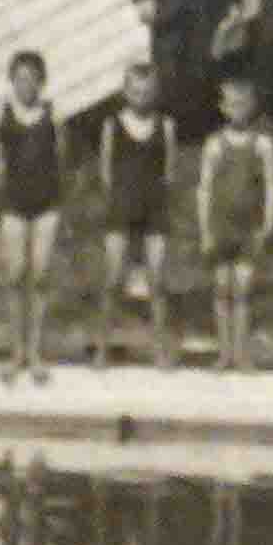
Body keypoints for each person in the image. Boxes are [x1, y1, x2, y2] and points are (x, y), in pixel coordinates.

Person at [90, 58, 179, 366]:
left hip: (154, 207)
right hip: (122, 205)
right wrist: (119, 202)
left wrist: (157, 202)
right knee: (113, 279)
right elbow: (105, 171)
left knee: (157, 279)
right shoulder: (112, 125)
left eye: (147, 91)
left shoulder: (165, 125)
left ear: (155, 92)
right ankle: (102, 346)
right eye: (135, 90)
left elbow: (169, 171)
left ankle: (160, 349)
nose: (141, 96)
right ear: (125, 92)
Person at [196, 65, 273, 369]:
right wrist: (205, 229)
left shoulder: (262, 144)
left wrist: (269, 220)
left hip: (248, 226)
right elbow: (204, 188)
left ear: (253, 106)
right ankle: (224, 352)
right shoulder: (214, 144)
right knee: (222, 288)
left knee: (244, 288)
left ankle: (242, 352)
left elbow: (272, 185)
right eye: (232, 104)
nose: (238, 110)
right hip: (222, 225)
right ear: (222, 108)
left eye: (243, 104)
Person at [0, 49, 65, 386]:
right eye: (20, 79)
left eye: (32, 79)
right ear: (11, 81)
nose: (26, 85)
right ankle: (15, 352)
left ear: (42, 82)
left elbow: (62, 160)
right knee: (16, 274)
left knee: (41, 274)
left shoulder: (53, 116)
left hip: (47, 204)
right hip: (14, 204)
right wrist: (0, 178)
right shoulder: (1, 117)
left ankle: (35, 353)